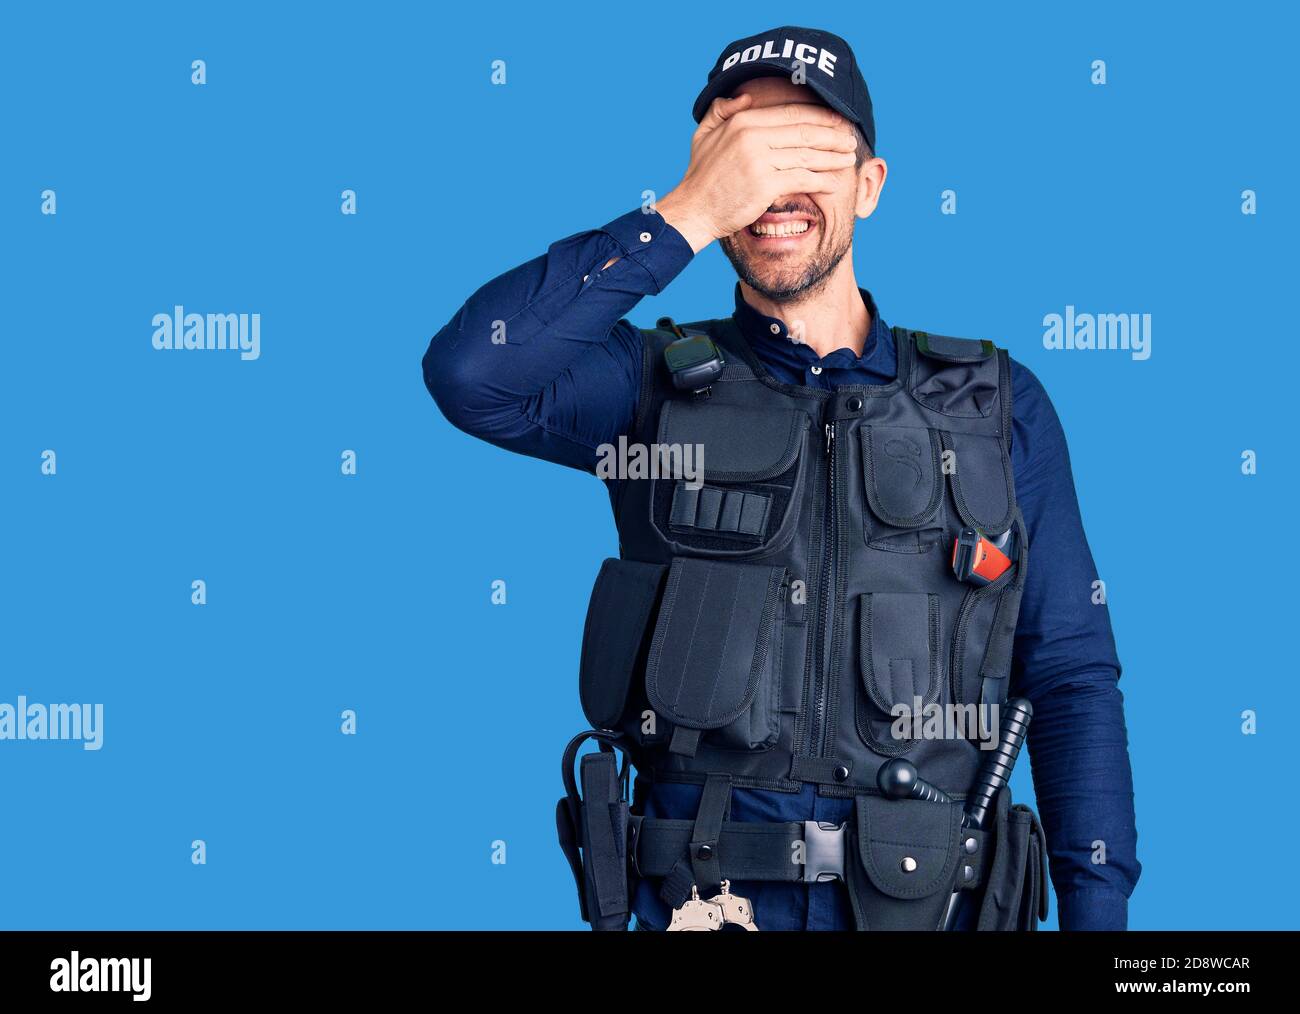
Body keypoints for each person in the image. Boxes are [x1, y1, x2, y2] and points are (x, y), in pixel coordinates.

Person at [423, 25, 1140, 931]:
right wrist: (682, 212)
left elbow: (1071, 675)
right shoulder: (643, 389)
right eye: (745, 153)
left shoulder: (997, 406)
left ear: (870, 185)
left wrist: (1100, 921)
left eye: (806, 149)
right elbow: (471, 372)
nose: (774, 189)